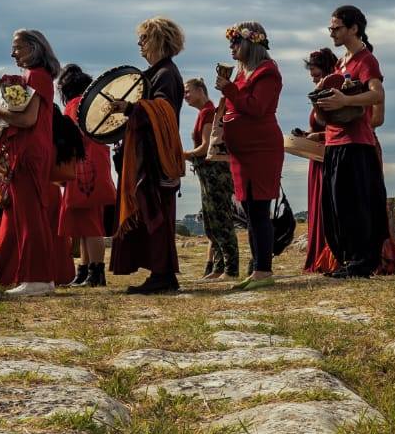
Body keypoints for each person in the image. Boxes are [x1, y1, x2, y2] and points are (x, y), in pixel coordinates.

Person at [0, 29, 73, 297]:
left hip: (28, 154)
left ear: (34, 48)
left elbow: (27, 120)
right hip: (26, 152)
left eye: (18, 48)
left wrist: (0, 111)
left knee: (30, 217)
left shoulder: (36, 76)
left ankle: (37, 278)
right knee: (18, 215)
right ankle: (14, 273)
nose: (13, 53)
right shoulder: (36, 77)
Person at [110, 16, 187, 294]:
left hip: (157, 158)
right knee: (151, 215)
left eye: (143, 39)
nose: (139, 45)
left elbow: (163, 112)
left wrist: (131, 109)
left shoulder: (166, 73)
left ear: (157, 39)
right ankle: (160, 273)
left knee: (157, 215)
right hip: (148, 155)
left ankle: (163, 275)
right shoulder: (155, 73)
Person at [313, 5, 390, 278]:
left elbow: (376, 95)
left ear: (353, 28)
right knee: (335, 205)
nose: (331, 32)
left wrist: (346, 100)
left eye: (336, 28)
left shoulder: (365, 59)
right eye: (331, 28)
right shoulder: (341, 62)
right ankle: (347, 259)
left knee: (354, 204)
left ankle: (362, 261)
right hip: (335, 142)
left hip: (356, 142)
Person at [217, 22, 284, 289]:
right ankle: (257, 266)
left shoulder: (267, 72)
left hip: (261, 149)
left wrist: (229, 90)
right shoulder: (243, 74)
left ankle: (263, 270)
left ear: (248, 44)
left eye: (235, 43)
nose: (231, 48)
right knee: (248, 210)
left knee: (258, 209)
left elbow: (256, 108)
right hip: (243, 152)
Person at [56, 64, 116, 287]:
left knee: (88, 224)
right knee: (86, 222)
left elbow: (67, 138)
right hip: (98, 164)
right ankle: (86, 269)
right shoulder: (94, 104)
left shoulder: (72, 106)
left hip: (81, 168)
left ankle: (95, 272)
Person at [184, 77, 239, 281]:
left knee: (220, 220)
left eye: (188, 91)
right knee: (211, 221)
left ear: (201, 89)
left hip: (215, 173)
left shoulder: (208, 111)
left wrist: (183, 154)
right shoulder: (203, 113)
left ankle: (231, 268)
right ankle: (219, 267)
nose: (185, 96)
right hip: (207, 174)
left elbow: (206, 147)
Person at [297, 48, 340, 274]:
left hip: (329, 154)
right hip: (316, 156)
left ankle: (330, 253)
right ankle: (318, 254)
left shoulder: (333, 91)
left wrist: (319, 136)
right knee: (317, 205)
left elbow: (336, 124)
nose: (312, 75)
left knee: (327, 205)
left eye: (314, 70)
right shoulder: (319, 89)